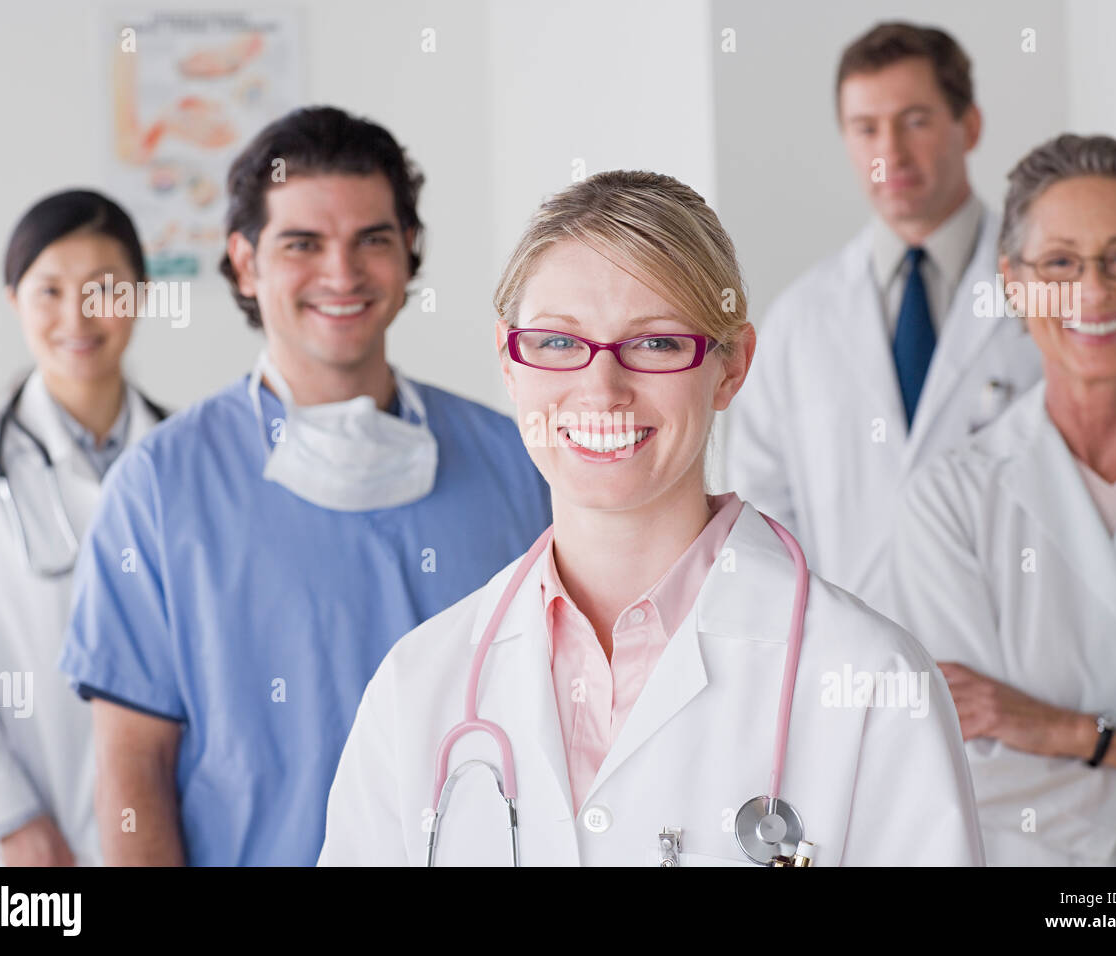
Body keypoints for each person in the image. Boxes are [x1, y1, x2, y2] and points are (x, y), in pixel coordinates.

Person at [318, 170, 983, 866]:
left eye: (656, 343)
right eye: (557, 342)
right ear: (509, 365)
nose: (601, 389)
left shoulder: (871, 679)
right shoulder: (417, 684)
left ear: (730, 368)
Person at [58, 107, 551, 866]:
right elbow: (133, 768)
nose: (342, 274)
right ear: (246, 261)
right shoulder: (160, 488)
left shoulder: (516, 462)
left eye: (373, 240)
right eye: (303, 244)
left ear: (410, 251)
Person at [889, 134, 1116, 865]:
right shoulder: (952, 501)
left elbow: (1014, 743)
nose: (1094, 293)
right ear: (1014, 282)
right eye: (1060, 264)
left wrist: (1071, 734)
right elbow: (969, 762)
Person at [727, 21, 1040, 613]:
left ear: (968, 125)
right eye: (866, 128)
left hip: (1014, 662)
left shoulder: (1048, 293)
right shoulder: (800, 319)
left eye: (915, 120)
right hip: (847, 667)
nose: (889, 152)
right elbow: (760, 514)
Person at [0, 190, 166, 866]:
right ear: (14, 300)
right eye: (50, 291)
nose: (78, 317)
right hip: (17, 842)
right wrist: (8, 819)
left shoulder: (180, 459)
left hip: (163, 829)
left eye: (104, 288)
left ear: (141, 295)